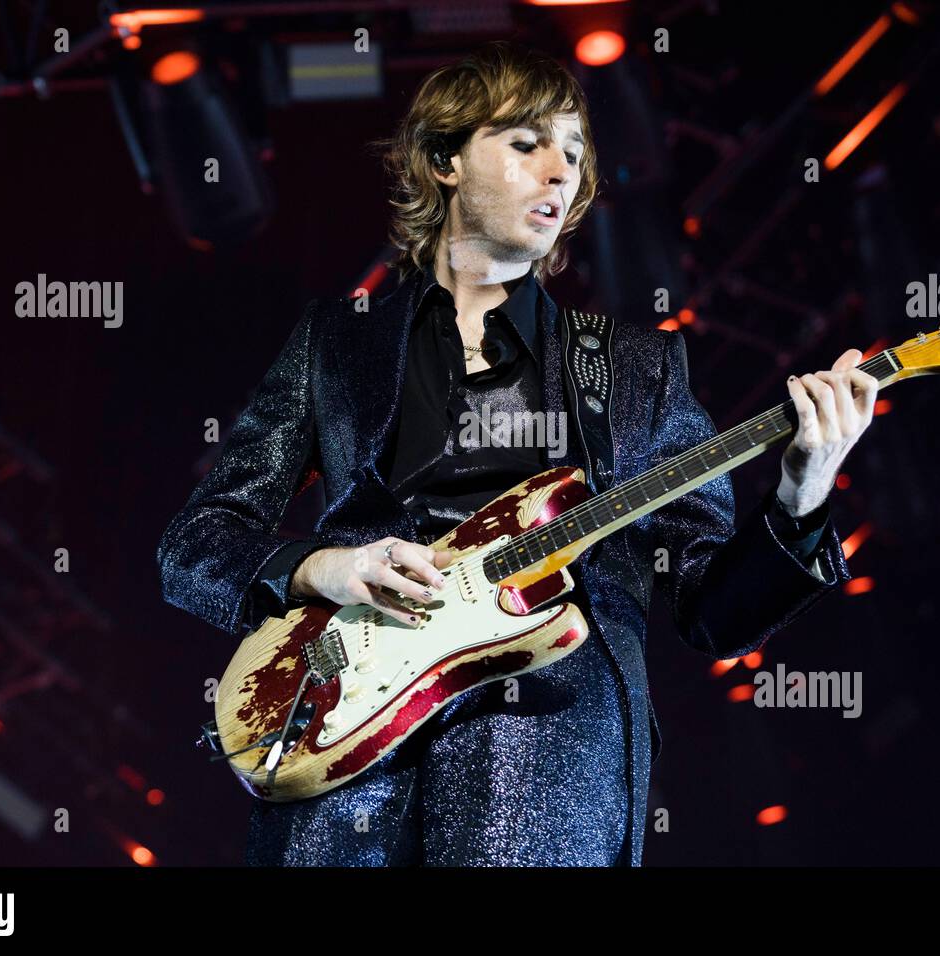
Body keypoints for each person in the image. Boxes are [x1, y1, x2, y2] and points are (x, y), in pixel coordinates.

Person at [156, 41, 877, 866]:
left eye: (574, 153)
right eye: (527, 143)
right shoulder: (337, 344)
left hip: (547, 767)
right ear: (444, 162)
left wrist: (803, 490)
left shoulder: (637, 369)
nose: (560, 172)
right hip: (343, 759)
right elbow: (194, 544)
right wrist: (328, 569)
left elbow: (713, 611)